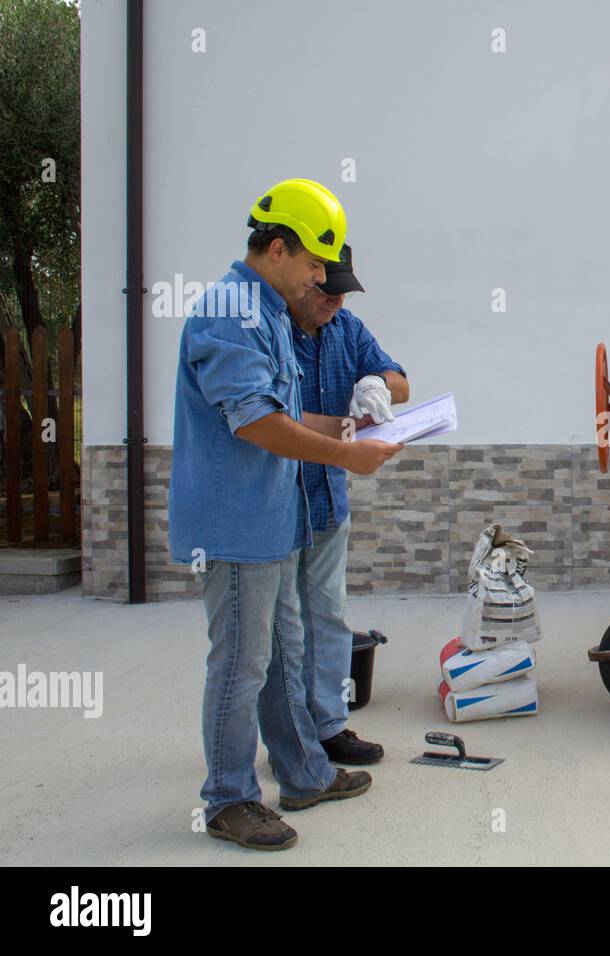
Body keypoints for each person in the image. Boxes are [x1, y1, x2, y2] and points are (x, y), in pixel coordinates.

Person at [169, 178, 402, 851]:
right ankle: (229, 800)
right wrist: (343, 454)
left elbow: (290, 415)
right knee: (242, 664)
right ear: (277, 249)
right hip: (235, 528)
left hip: (271, 521)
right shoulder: (230, 311)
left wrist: (353, 433)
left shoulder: (265, 310)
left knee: (282, 656)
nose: (317, 280)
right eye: (312, 265)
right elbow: (256, 423)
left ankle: (303, 772)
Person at [288, 243, 408, 765]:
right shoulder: (274, 332)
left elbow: (402, 382)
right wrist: (347, 432)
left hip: (328, 498)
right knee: (282, 626)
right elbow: (280, 419)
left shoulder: (347, 329)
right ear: (303, 279)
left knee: (328, 615)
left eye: (343, 292)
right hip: (278, 499)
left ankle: (330, 726)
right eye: (327, 291)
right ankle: (288, 736)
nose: (335, 301)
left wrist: (376, 381)